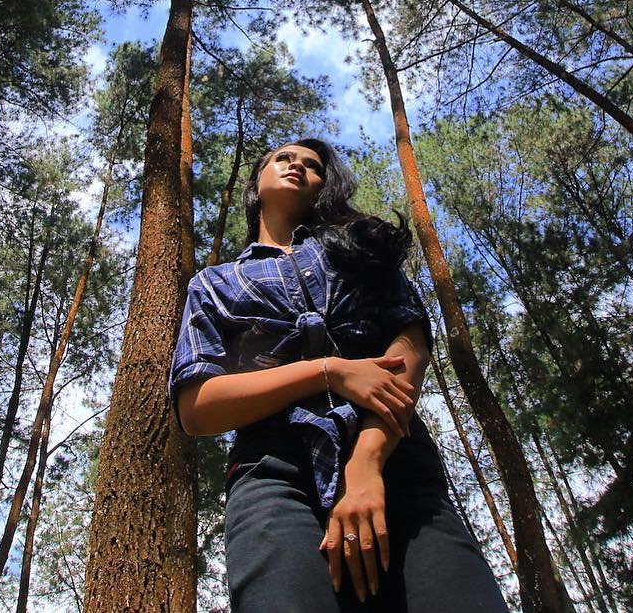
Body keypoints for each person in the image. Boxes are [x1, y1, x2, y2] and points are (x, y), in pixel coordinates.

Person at [170, 138, 509, 612]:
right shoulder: (212, 284)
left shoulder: (362, 253)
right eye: (284, 159)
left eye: (313, 166)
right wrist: (327, 372)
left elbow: (410, 344)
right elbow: (197, 408)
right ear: (256, 186)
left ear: (324, 188)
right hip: (272, 477)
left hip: (397, 464)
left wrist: (366, 462)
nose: (299, 166)